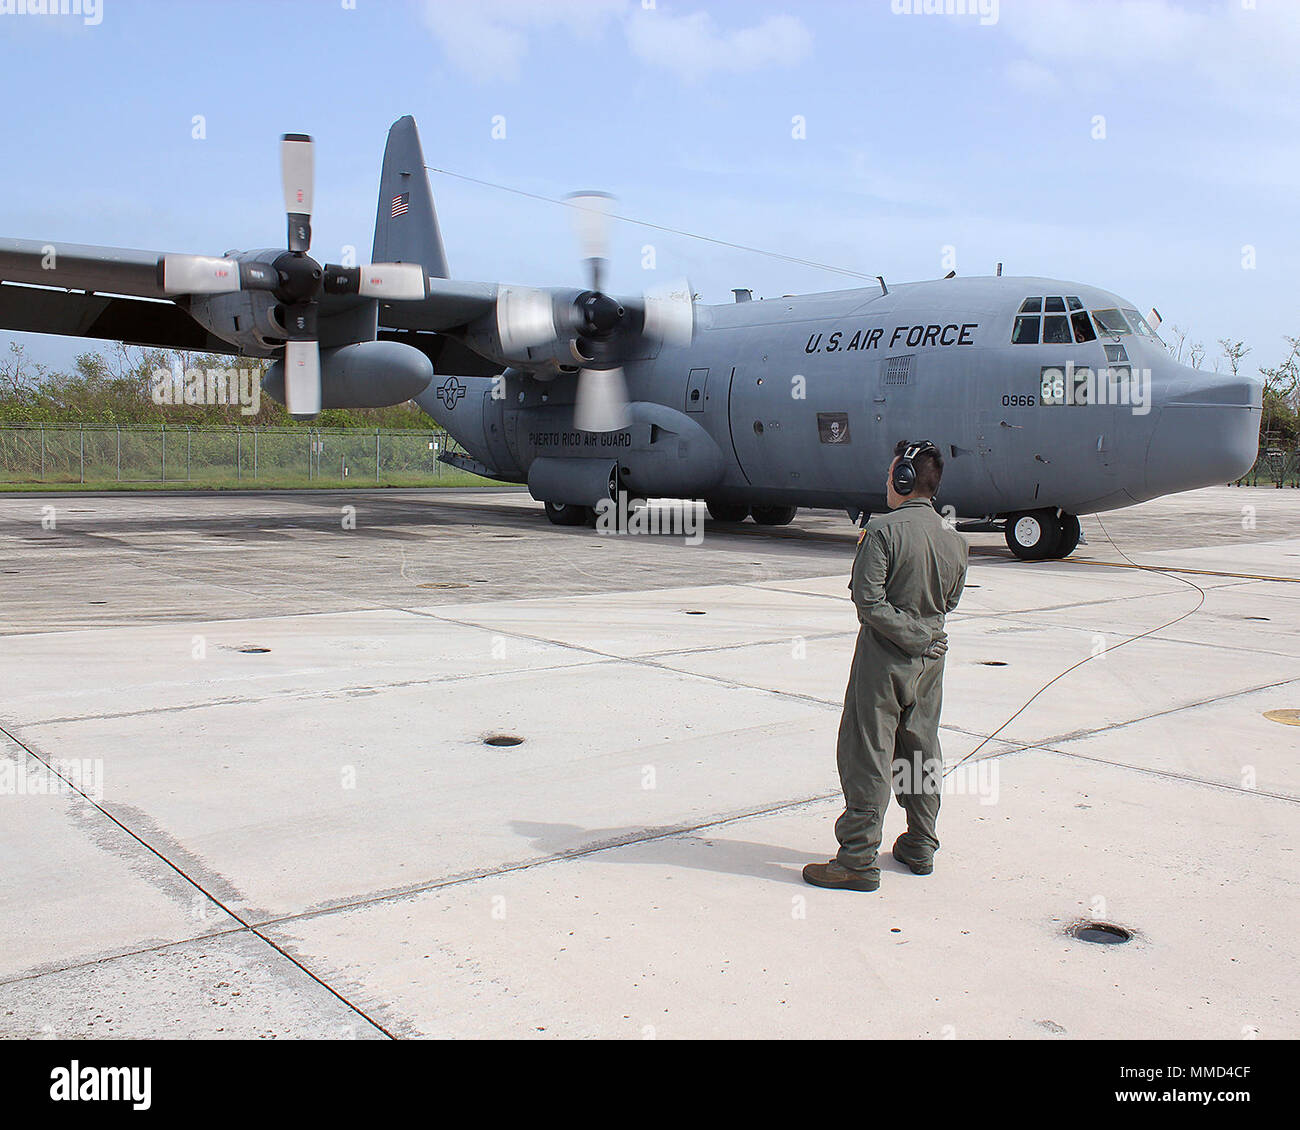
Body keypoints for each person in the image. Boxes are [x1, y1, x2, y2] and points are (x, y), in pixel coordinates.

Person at [803, 440, 968, 892]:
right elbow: (948, 602)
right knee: (920, 748)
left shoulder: (882, 532)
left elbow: (867, 601)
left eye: (891, 474)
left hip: (884, 661)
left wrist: (909, 634)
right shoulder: (955, 539)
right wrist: (926, 635)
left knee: (868, 753)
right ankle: (920, 843)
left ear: (904, 480)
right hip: (931, 664)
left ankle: (857, 859)